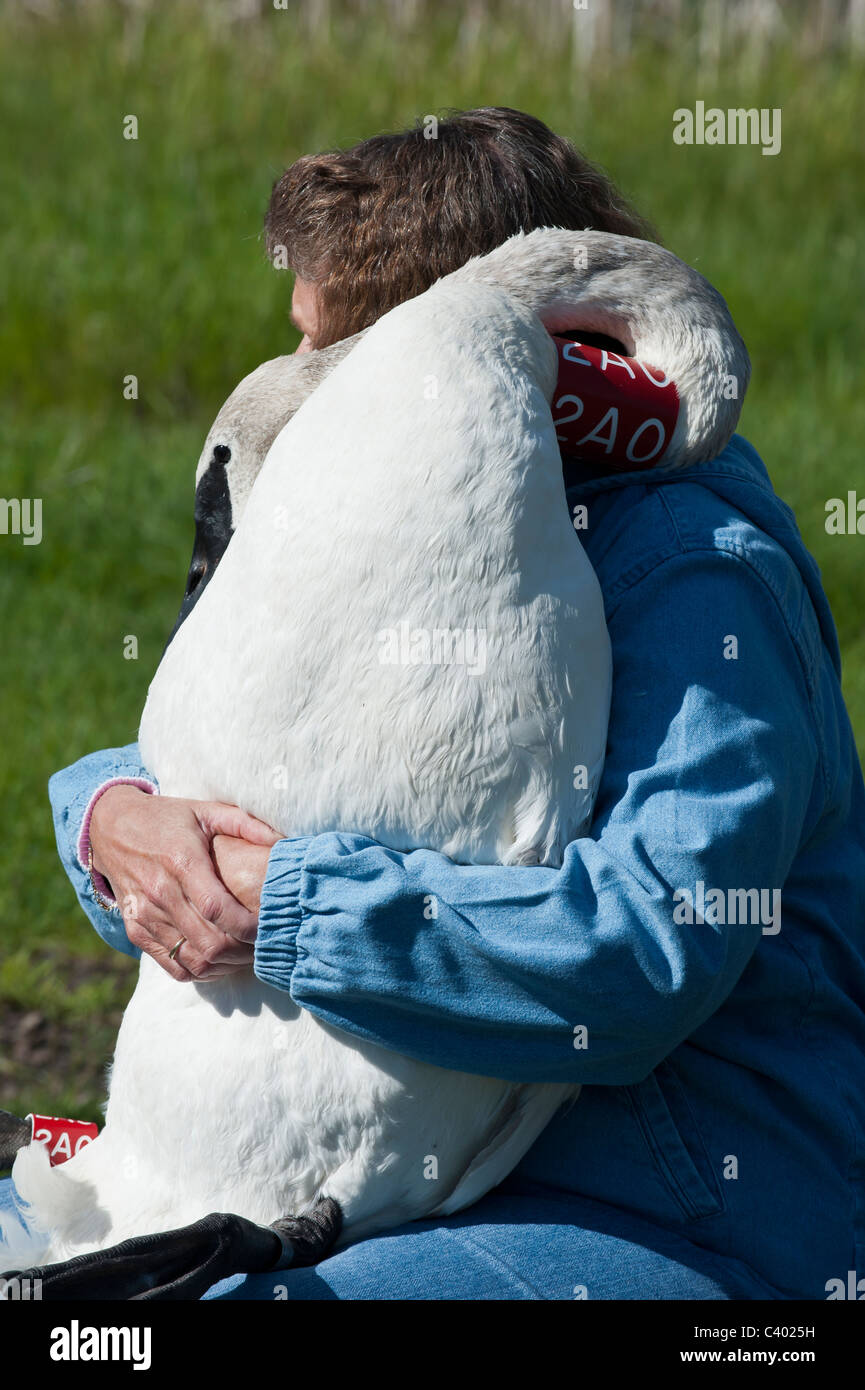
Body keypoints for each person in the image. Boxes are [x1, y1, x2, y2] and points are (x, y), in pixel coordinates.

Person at [7, 109, 865, 1300]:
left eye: (322, 352)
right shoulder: (395, 517)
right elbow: (262, 743)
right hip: (391, 1171)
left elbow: (642, 952)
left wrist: (293, 909)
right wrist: (109, 819)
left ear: (460, 347)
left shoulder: (697, 577)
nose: (292, 387)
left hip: (665, 1211)